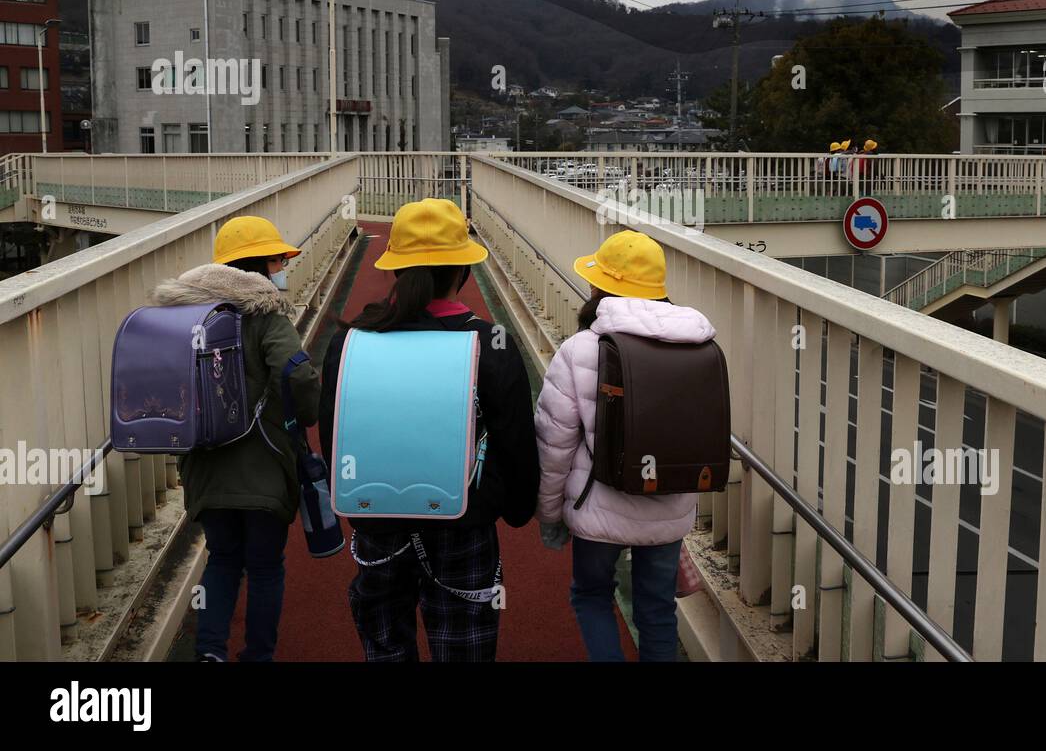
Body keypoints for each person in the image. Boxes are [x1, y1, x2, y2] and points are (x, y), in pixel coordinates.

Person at [317, 198, 539, 662]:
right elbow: (516, 443)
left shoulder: (350, 341)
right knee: (464, 645)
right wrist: (515, 508)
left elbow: (333, 433)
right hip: (464, 522)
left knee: (385, 647)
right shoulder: (490, 343)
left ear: (397, 269)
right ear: (462, 270)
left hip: (379, 522)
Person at [534, 229, 717, 662]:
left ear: (600, 288)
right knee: (657, 610)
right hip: (668, 506)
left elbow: (554, 445)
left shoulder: (581, 349)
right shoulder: (699, 345)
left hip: (597, 508)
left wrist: (549, 513)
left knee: (592, 596)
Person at [151, 215, 321, 662]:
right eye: (276, 259)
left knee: (223, 560)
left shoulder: (185, 316)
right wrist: (304, 416)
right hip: (264, 468)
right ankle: (258, 655)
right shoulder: (266, 314)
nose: (281, 266)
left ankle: (210, 652)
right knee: (265, 567)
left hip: (205, 467)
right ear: (259, 265)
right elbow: (298, 374)